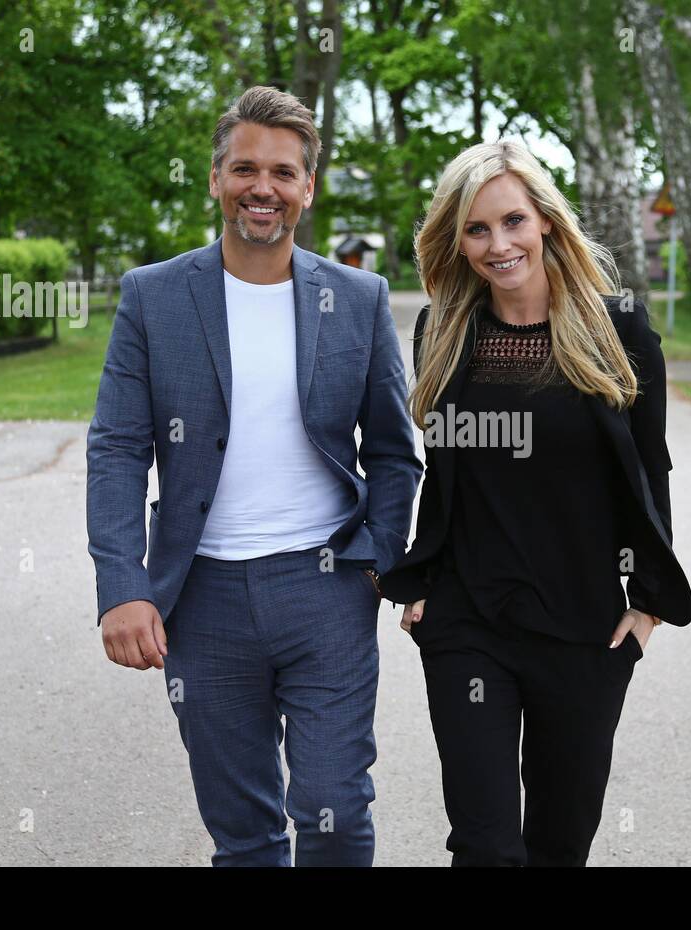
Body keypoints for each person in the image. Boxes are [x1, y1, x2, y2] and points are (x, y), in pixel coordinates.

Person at [85, 86, 422, 866]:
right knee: (242, 830)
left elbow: (395, 449)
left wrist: (381, 555)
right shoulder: (153, 297)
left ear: (308, 186)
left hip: (328, 587)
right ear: (216, 179)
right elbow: (117, 448)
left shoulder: (360, 298)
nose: (260, 188)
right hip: (200, 600)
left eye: (281, 172)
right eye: (244, 169)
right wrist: (122, 585)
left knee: (335, 804)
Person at [378, 139, 691, 866]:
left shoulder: (621, 331)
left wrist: (645, 609)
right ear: (455, 240)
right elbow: (443, 467)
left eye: (513, 221)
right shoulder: (443, 330)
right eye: (477, 229)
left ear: (547, 221)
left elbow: (652, 470)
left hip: (584, 631)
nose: (499, 244)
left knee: (559, 843)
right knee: (486, 847)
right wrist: (423, 581)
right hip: (469, 625)